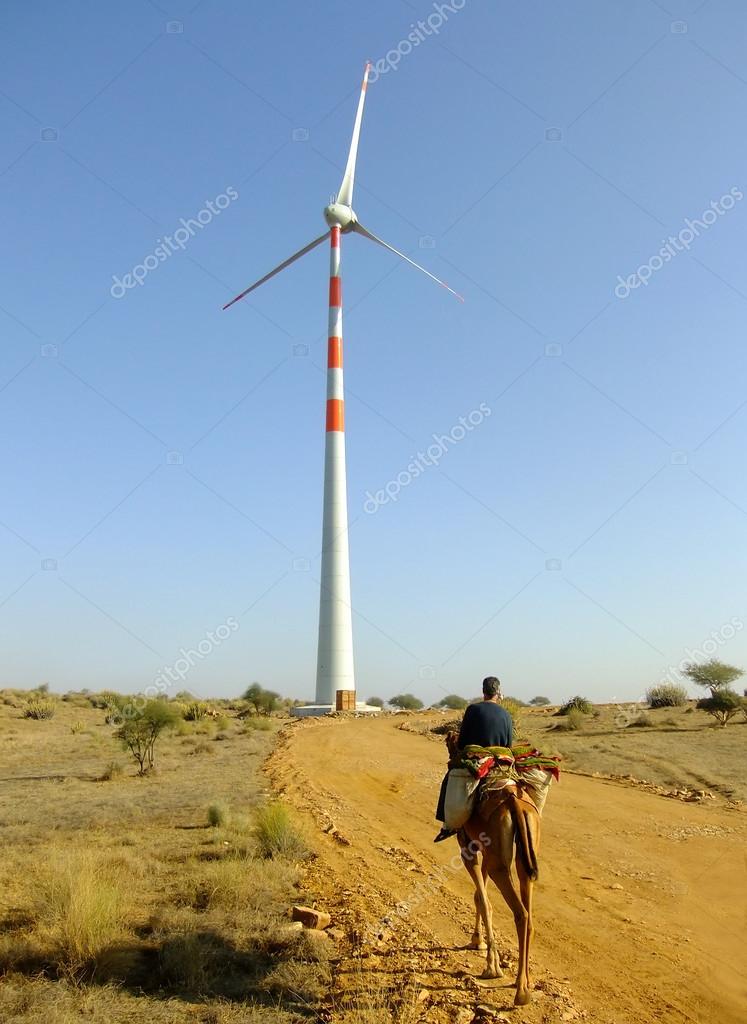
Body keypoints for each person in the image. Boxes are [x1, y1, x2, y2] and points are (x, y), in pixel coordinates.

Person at [433, 676, 513, 842]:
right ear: (498, 693)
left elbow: (462, 742)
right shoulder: (506, 714)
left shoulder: (473, 709)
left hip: (477, 761)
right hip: (500, 762)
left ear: (483, 691)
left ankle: (447, 826)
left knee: (449, 778)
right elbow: (508, 745)